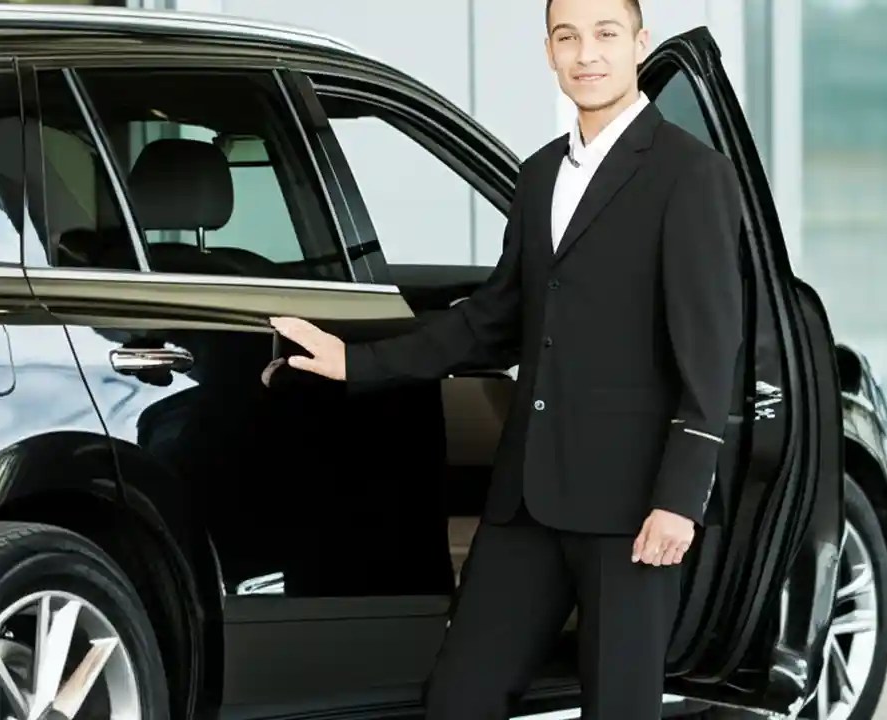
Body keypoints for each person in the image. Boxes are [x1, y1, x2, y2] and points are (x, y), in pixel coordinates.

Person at [265, 0, 743, 716]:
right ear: (549, 52)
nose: (587, 54)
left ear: (640, 44)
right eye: (568, 37)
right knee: (461, 698)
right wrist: (357, 362)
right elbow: (494, 321)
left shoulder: (689, 173)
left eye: (606, 35)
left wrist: (680, 498)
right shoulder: (539, 175)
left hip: (631, 507)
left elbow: (711, 350)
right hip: (526, 500)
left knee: (619, 707)